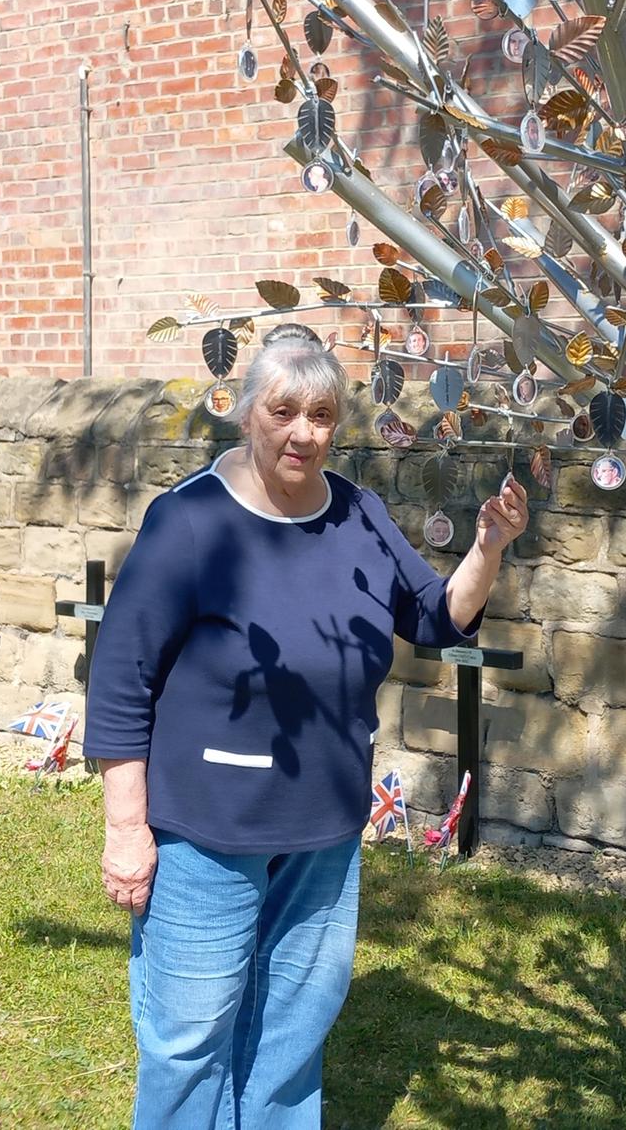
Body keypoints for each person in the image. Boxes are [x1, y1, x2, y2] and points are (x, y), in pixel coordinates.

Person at [84, 323, 529, 1129]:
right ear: (249, 412)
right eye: (284, 411)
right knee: (190, 1035)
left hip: (323, 827)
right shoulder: (189, 521)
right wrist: (126, 828)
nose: (303, 433)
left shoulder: (358, 513)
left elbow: (432, 616)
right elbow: (122, 680)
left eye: (321, 416)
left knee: (292, 1031)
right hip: (206, 830)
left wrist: (488, 548)